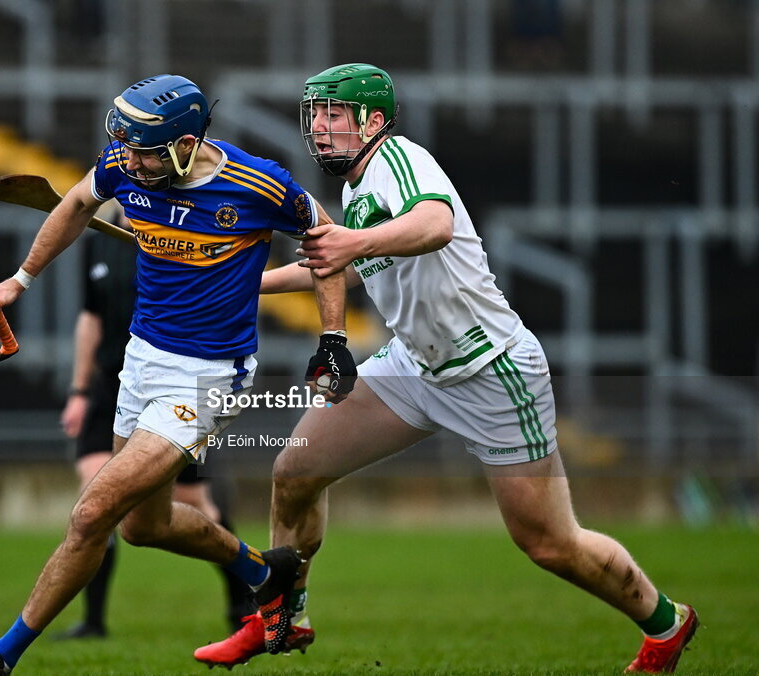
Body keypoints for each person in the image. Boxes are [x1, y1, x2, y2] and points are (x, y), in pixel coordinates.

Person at [194, 64, 698, 673]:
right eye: (315, 115)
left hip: (491, 371)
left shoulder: (400, 160)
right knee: (296, 471)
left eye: (334, 114)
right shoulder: (357, 188)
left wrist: (351, 243)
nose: (319, 127)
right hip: (414, 364)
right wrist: (242, 285)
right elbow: (337, 264)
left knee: (549, 543)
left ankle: (665, 623)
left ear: (372, 122)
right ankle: (283, 616)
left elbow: (435, 225)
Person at [0, 73, 355, 676]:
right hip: (141, 361)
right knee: (142, 526)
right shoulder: (125, 164)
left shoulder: (259, 184)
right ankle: (265, 572)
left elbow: (329, 247)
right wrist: (20, 280)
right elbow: (75, 203)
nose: (130, 162)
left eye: (145, 152)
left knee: (90, 515)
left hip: (208, 376)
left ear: (185, 144)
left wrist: (333, 339)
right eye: (126, 149)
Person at [54, 210, 255, 639]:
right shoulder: (98, 240)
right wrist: (79, 390)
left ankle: (244, 598)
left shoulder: (177, 233)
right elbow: (90, 318)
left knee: (195, 502)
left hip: (173, 388)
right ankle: (93, 621)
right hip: (112, 386)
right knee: (95, 495)